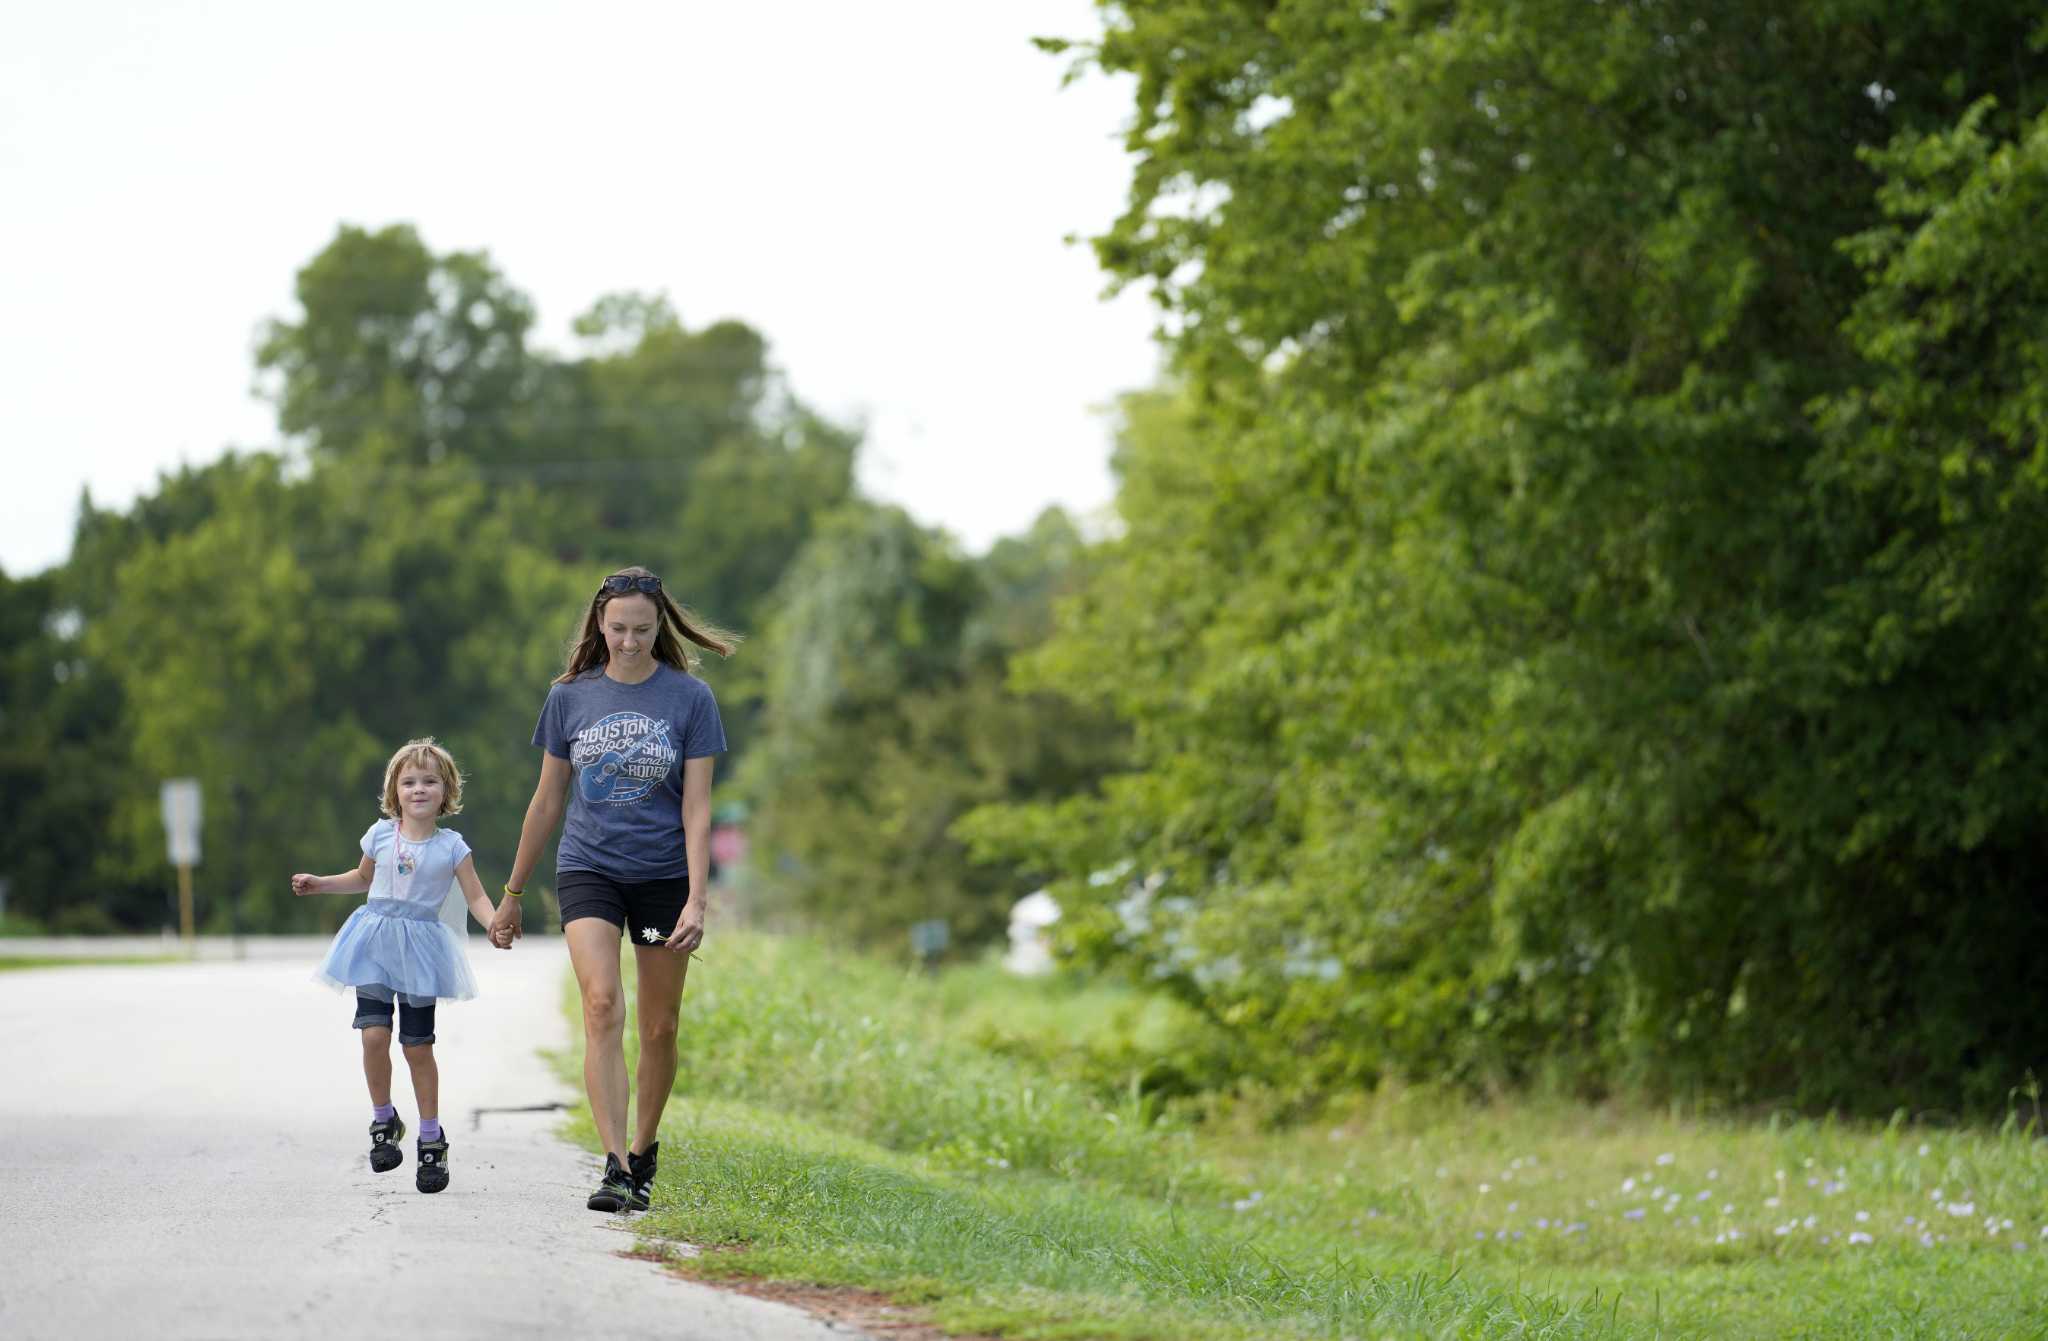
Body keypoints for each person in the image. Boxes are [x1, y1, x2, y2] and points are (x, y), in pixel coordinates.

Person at [490, 566, 734, 1213]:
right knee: (601, 1004)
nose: (629, 641)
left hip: (662, 877)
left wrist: (697, 899)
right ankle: (616, 1166)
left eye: (642, 630)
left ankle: (644, 1150)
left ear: (660, 627)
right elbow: (547, 801)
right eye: (619, 628)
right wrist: (513, 892)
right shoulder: (569, 697)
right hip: (589, 868)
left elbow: (697, 809)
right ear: (600, 623)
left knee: (659, 1025)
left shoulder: (690, 699)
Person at [293, 737, 508, 1194]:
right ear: (395, 790)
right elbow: (362, 877)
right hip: (373, 943)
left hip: (420, 953)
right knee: (373, 1036)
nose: (418, 789)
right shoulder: (380, 835)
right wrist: (320, 883)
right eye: (409, 782)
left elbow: (475, 896)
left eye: (429, 781)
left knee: (416, 1047)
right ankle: (384, 1120)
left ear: (446, 791)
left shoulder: (453, 847)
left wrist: (493, 924)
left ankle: (430, 1137)